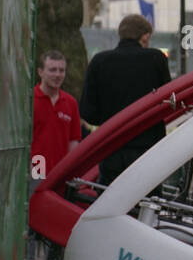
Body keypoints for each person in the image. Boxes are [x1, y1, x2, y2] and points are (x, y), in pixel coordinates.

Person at [80, 13, 172, 185]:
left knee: (111, 202)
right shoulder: (155, 59)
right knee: (146, 202)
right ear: (145, 36)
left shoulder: (99, 61)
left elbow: (87, 111)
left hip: (112, 148)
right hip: (147, 147)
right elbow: (168, 101)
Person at [30, 50, 81, 193]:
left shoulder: (71, 103)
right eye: (52, 70)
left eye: (61, 70)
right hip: (35, 171)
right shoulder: (29, 100)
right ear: (40, 72)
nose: (58, 75)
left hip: (60, 174)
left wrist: (69, 170)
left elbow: (74, 141)